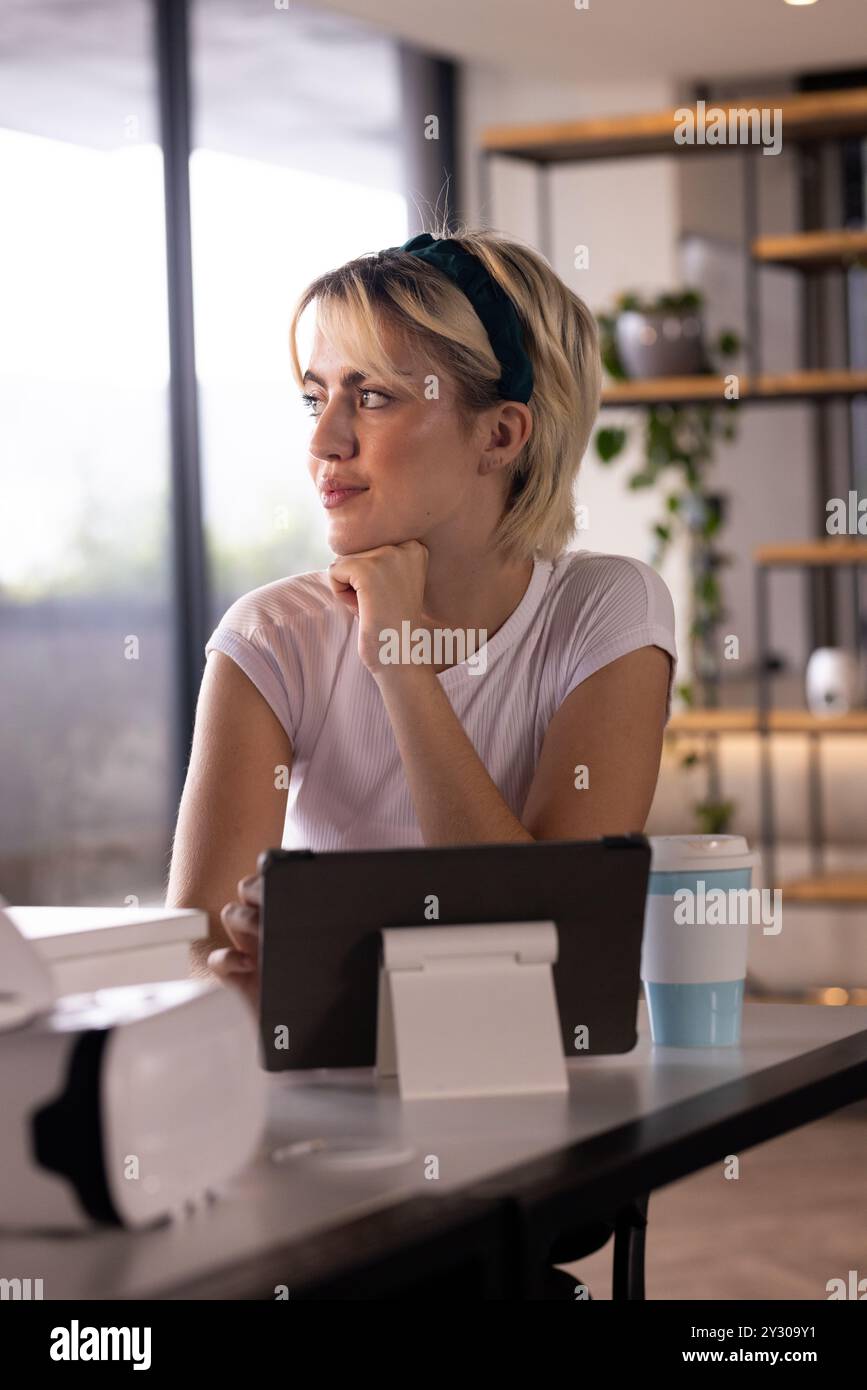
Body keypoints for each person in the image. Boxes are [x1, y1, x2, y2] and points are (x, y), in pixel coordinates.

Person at [166, 219, 677, 1021]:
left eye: (371, 397)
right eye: (316, 396)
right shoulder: (270, 636)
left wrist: (399, 661)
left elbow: (552, 953)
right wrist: (239, 979)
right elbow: (195, 955)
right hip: (327, 1121)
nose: (325, 441)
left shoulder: (604, 612)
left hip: (546, 1104)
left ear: (501, 433)